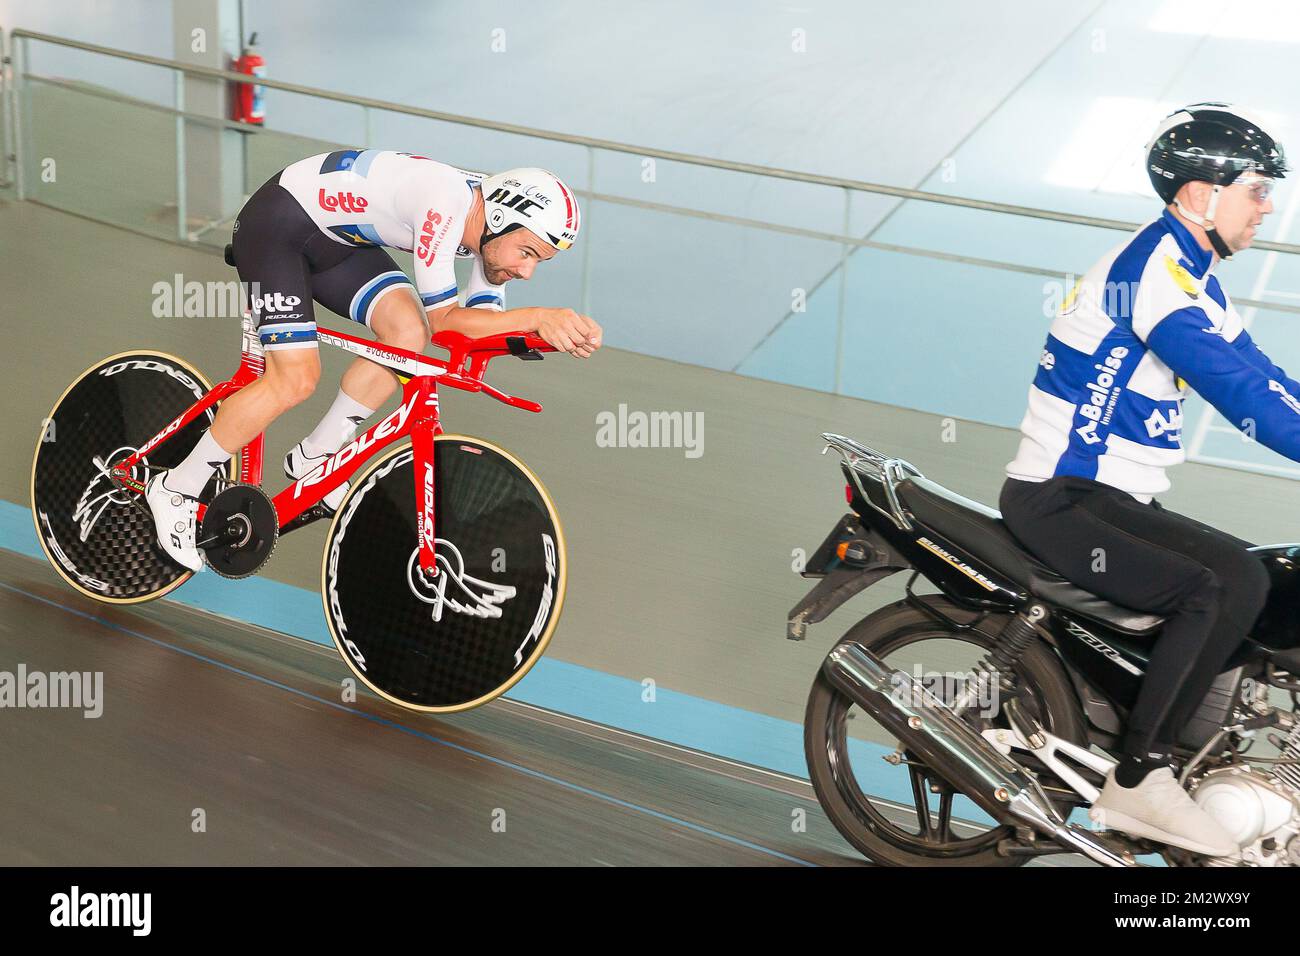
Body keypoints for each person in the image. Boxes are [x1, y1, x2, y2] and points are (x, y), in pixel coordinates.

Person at [1000, 103, 1291, 857]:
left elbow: (1265, 374)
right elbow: (1240, 394)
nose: (1269, 208)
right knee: (1216, 586)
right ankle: (1139, 778)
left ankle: (1188, 749)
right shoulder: (1155, 274)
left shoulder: (1191, 270)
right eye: (1258, 190)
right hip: (1062, 499)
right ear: (1202, 195)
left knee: (1258, 574)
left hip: (1109, 498)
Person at [145, 152, 601, 571]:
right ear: (499, 218)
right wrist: (541, 316)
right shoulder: (443, 205)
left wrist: (551, 336)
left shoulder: (487, 227)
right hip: (278, 226)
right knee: (296, 378)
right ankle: (175, 487)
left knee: (407, 334)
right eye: (527, 254)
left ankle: (316, 456)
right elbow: (449, 324)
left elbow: (480, 325)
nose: (526, 271)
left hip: (335, 242)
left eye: (538, 261)